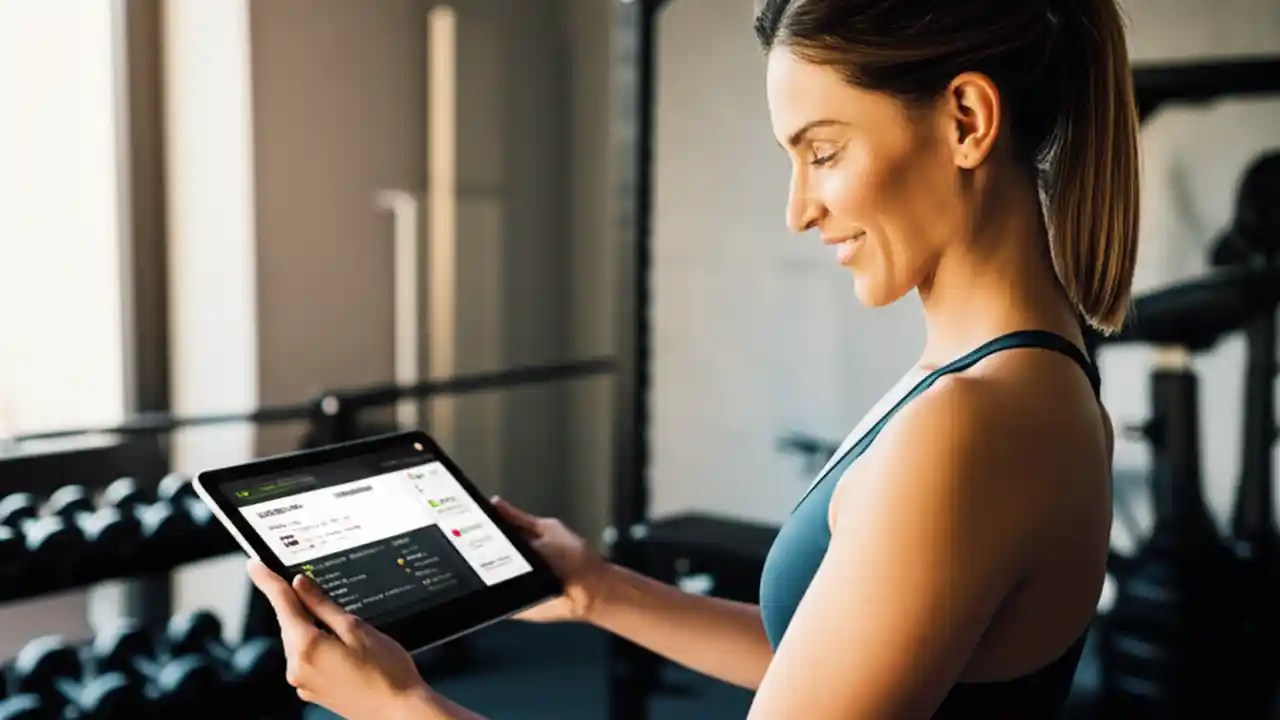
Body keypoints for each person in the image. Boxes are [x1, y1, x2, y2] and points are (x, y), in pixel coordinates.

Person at [247, 0, 1138, 716]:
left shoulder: (973, 425)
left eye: (823, 152)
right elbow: (839, 662)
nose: (799, 208)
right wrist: (601, 591)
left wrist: (396, 709)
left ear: (967, 120)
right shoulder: (1016, 381)